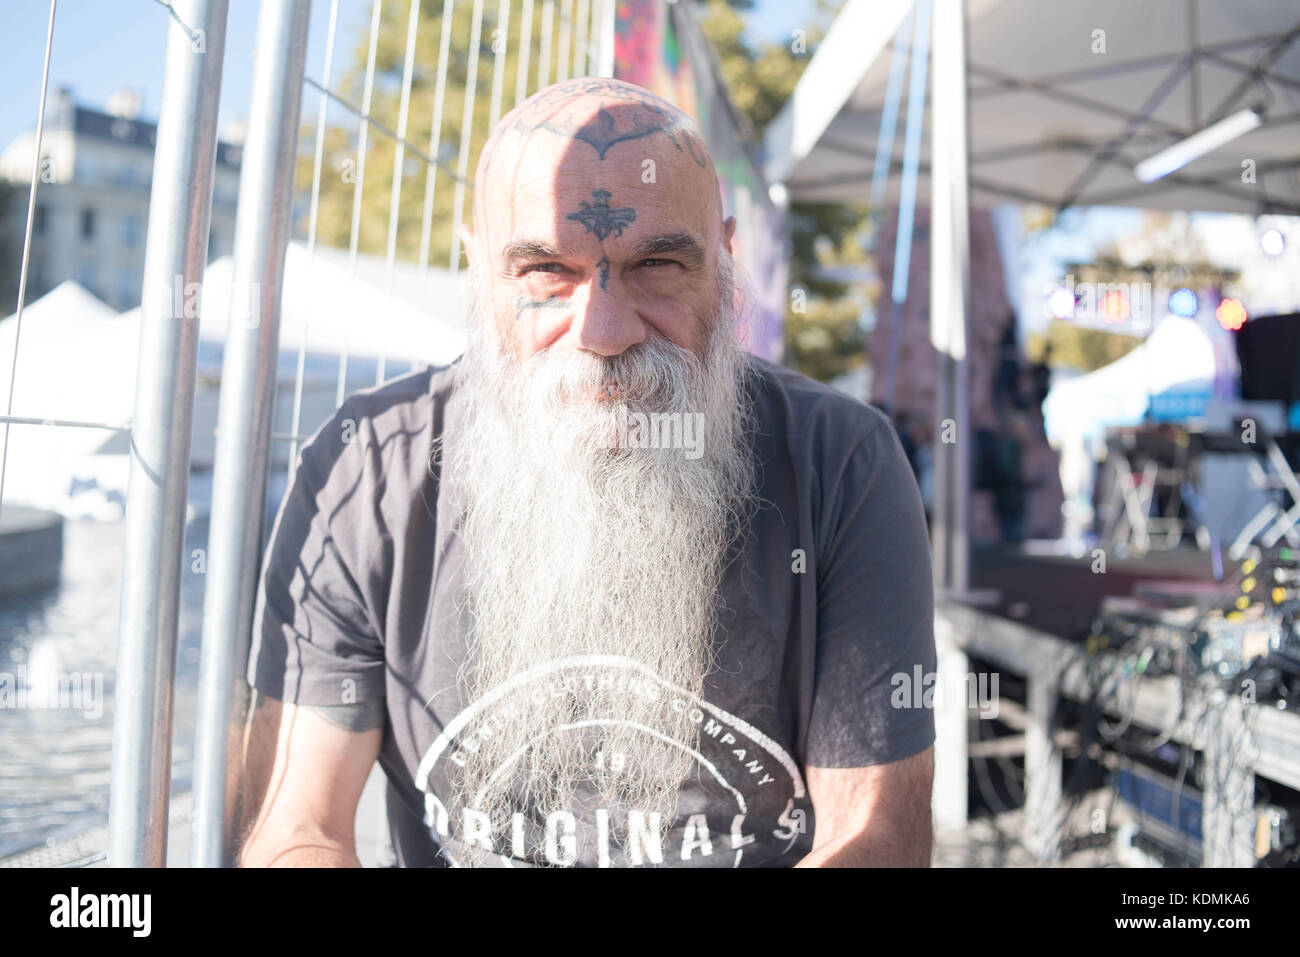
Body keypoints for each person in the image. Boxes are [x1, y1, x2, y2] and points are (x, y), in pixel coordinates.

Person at [234, 78, 935, 869]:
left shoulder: (842, 463)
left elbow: (874, 838)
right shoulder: (363, 471)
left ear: (724, 262)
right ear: (479, 271)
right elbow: (294, 829)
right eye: (543, 271)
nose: (602, 332)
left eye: (659, 264)